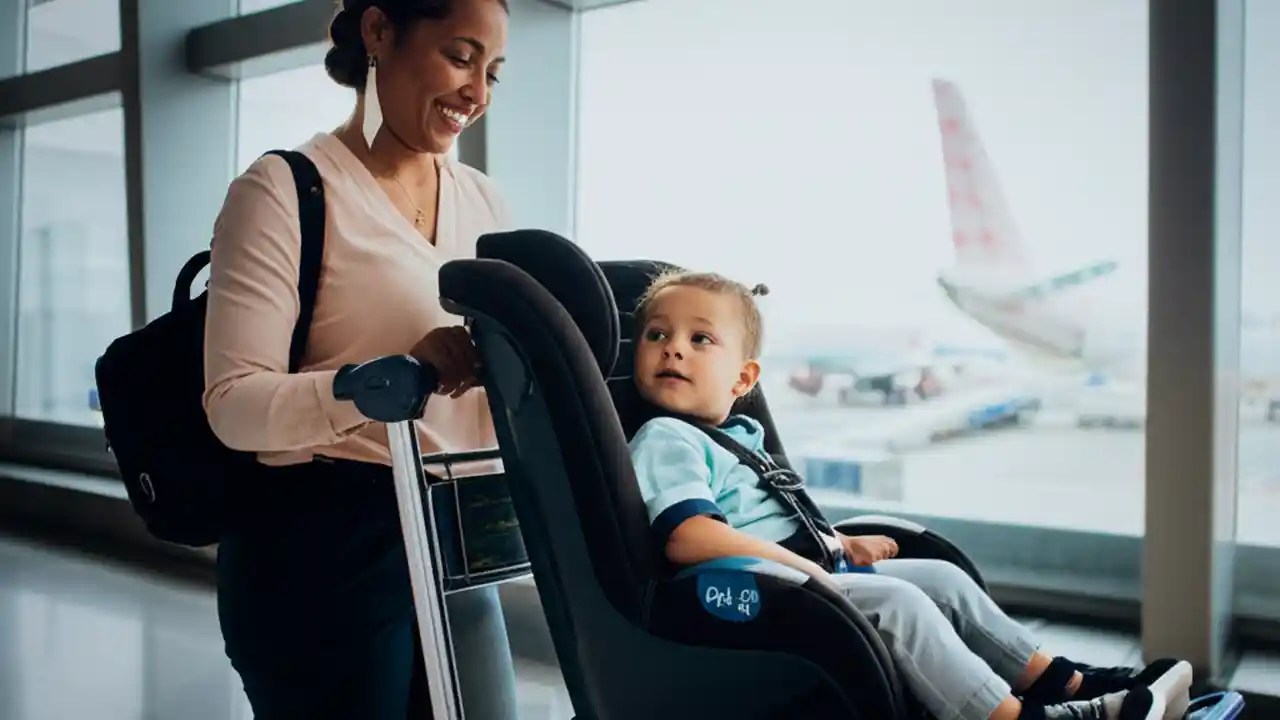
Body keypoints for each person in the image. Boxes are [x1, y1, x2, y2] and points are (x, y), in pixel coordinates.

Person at [626, 270, 1194, 720]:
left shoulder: (738, 438)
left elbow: (764, 519)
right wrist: (812, 566)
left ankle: (1064, 682)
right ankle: (1010, 717)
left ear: (742, 380)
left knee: (942, 582)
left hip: (799, 572)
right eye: (657, 335)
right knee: (900, 605)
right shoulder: (666, 437)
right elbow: (689, 536)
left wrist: (837, 543)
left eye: (700, 338)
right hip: (745, 593)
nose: (673, 349)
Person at [202, 0, 515, 717]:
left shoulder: (486, 203)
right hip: (325, 549)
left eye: (493, 72)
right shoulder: (284, 190)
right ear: (379, 32)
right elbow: (232, 404)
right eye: (461, 58)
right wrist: (385, 383)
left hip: (461, 540)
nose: (479, 92)